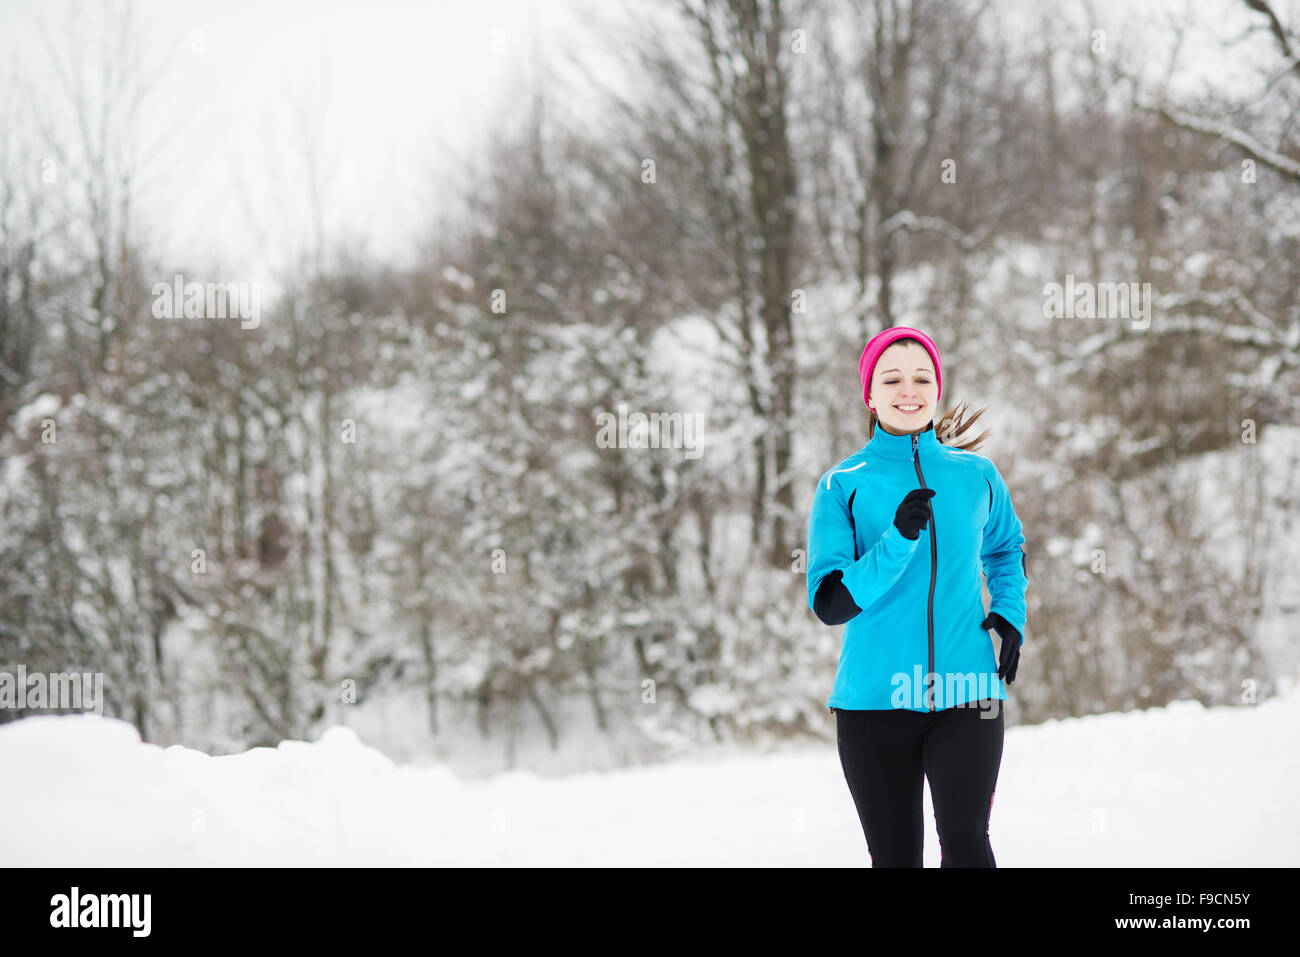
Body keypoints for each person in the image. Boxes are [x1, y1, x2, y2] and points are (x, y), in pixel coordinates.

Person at [805, 325, 1028, 867]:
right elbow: (830, 602)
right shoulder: (842, 484)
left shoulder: (977, 475)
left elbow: (1006, 549)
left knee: (969, 849)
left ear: (937, 387)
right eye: (893, 378)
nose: (910, 390)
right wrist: (897, 541)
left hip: (967, 694)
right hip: (872, 705)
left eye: (922, 377)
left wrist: (1009, 612)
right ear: (870, 395)